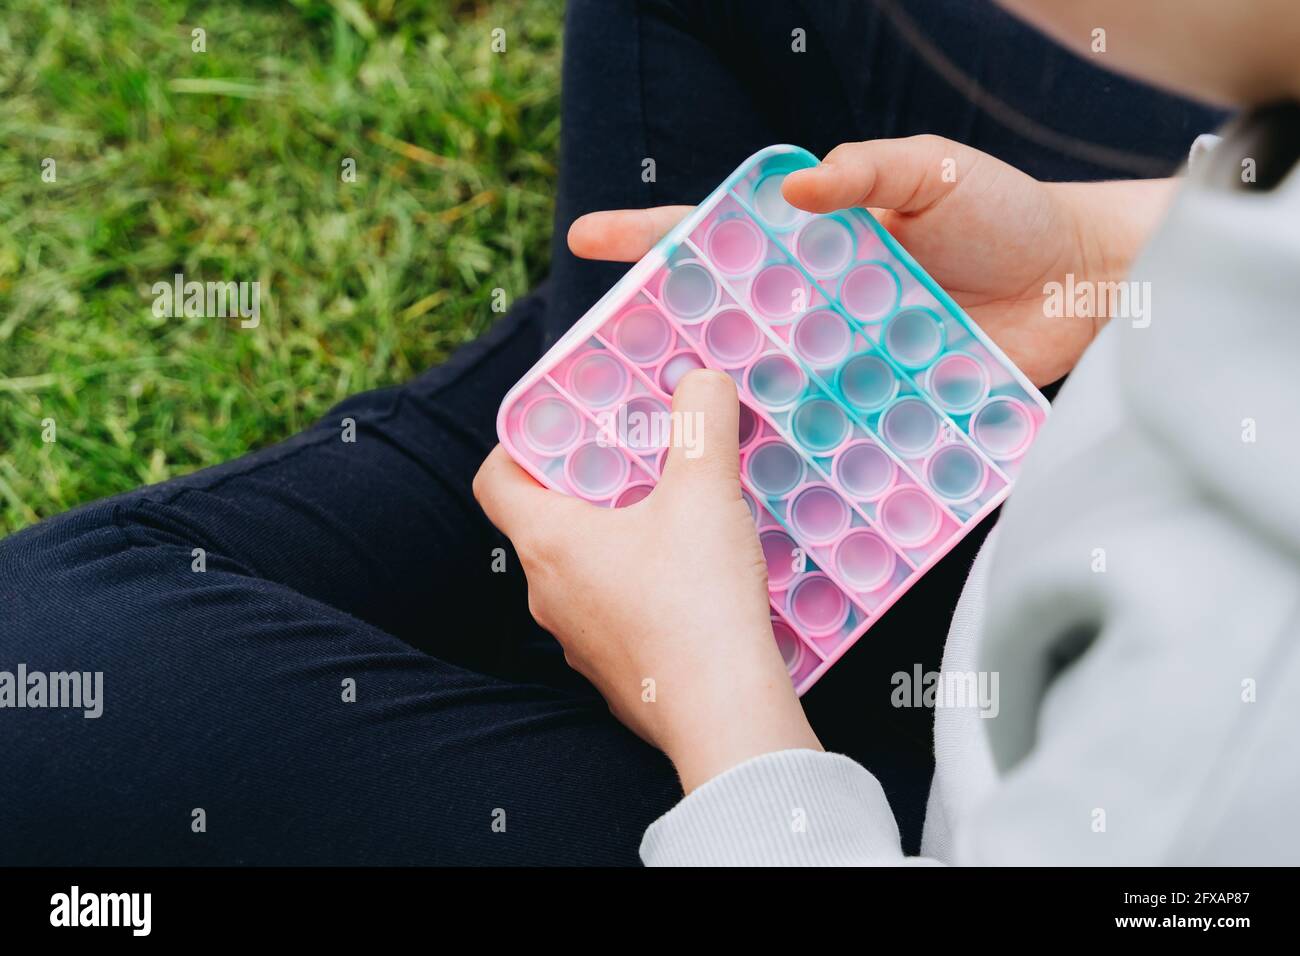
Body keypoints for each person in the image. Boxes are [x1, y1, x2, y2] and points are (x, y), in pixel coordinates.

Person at [0, 0, 1235, 865]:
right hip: (1090, 447)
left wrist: (719, 708)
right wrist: (1106, 252)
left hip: (884, 796)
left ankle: (583, 609)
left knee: (44, 680)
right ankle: (589, 478)